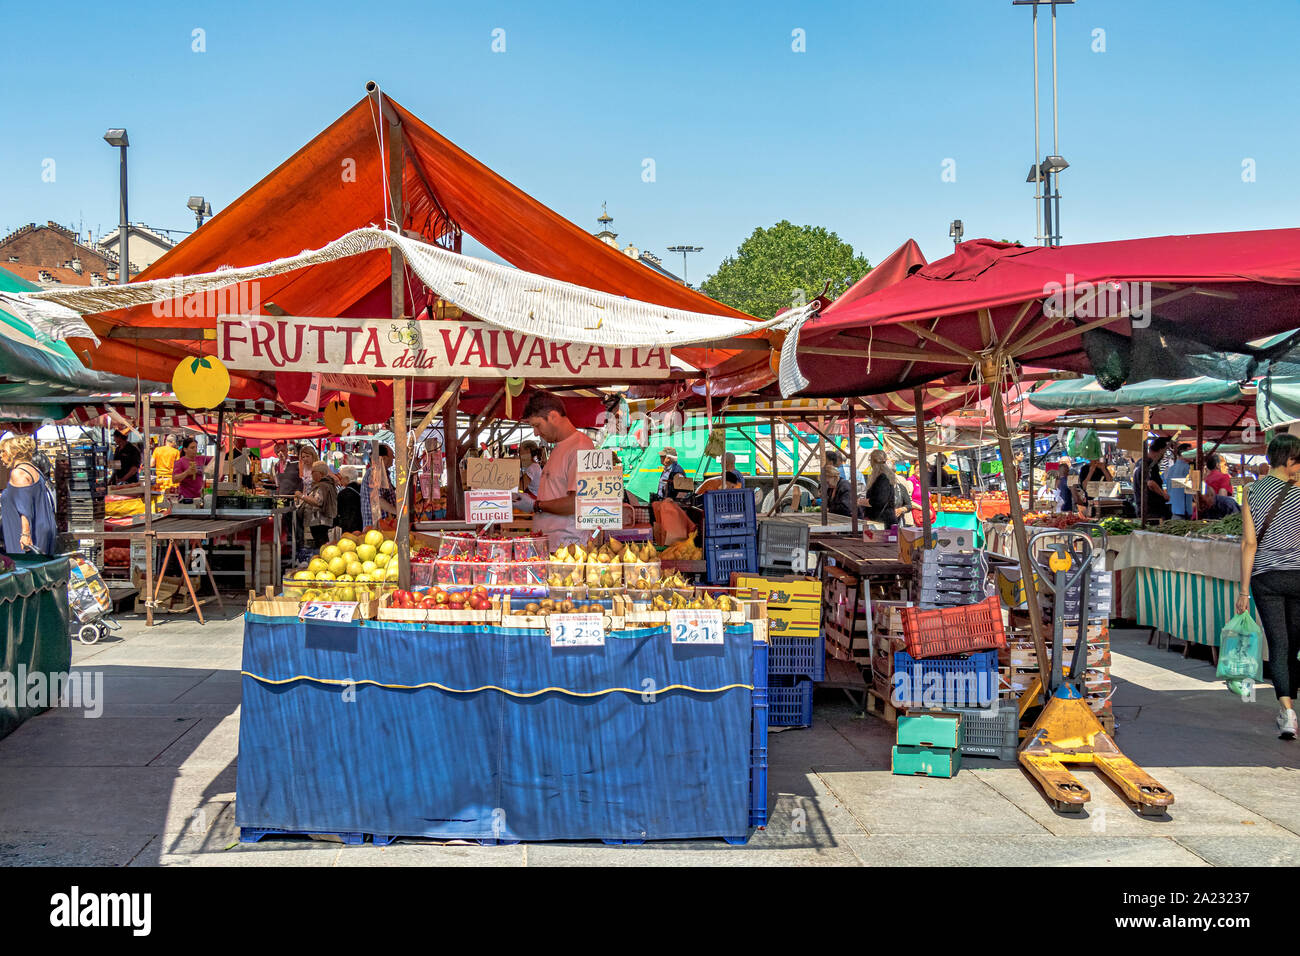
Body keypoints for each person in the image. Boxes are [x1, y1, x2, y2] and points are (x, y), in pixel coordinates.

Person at [1237, 432, 1300, 740]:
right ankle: (1289, 700)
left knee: (1279, 643)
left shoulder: (1251, 491)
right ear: (1289, 461)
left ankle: (1287, 712)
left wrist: (1243, 590)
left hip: (1265, 578)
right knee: (1293, 644)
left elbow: (1249, 544)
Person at [521, 391, 595, 549]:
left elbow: (577, 503)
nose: (535, 432)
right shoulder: (560, 446)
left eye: (537, 425)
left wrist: (535, 505)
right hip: (551, 545)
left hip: (567, 547)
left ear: (553, 416)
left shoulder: (580, 447)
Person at [0, 436, 57, 555]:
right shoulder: (33, 469)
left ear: (14, 452)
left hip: (27, 532)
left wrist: (25, 534)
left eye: (3, 451)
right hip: (41, 527)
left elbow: (24, 508)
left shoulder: (18, 473)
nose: (1, 455)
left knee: (26, 567)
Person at [296, 461, 339, 548]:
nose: (312, 475)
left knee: (321, 542)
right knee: (322, 541)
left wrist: (301, 496)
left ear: (320, 473)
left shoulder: (322, 486)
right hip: (322, 520)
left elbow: (317, 501)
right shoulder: (328, 485)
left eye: (313, 472)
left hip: (319, 520)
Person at [360, 444, 399, 531]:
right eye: (392, 456)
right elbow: (377, 499)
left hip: (385, 525)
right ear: (384, 458)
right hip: (375, 527)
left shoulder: (384, 474)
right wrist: (397, 512)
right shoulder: (375, 473)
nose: (393, 459)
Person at [864, 450, 906, 525]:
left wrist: (863, 501)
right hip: (883, 520)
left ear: (873, 461)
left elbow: (880, 500)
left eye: (870, 460)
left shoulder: (882, 478)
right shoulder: (884, 476)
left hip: (883, 522)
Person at [1135, 437, 1172, 521]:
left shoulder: (1140, 462)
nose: (1163, 456)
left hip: (1143, 507)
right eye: (1164, 452)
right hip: (1151, 510)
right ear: (1161, 450)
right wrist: (1164, 494)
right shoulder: (1150, 463)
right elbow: (1150, 483)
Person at [1166, 442, 1194, 519]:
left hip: (1173, 509)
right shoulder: (1187, 468)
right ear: (1183, 453)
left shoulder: (1171, 469)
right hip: (1183, 510)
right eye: (1191, 452)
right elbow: (1191, 491)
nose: (1193, 455)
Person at [335, 465, 364, 534]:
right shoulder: (362, 489)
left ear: (346, 479)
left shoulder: (343, 494)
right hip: (362, 525)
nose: (340, 480)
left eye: (341, 478)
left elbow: (338, 511)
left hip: (348, 527)